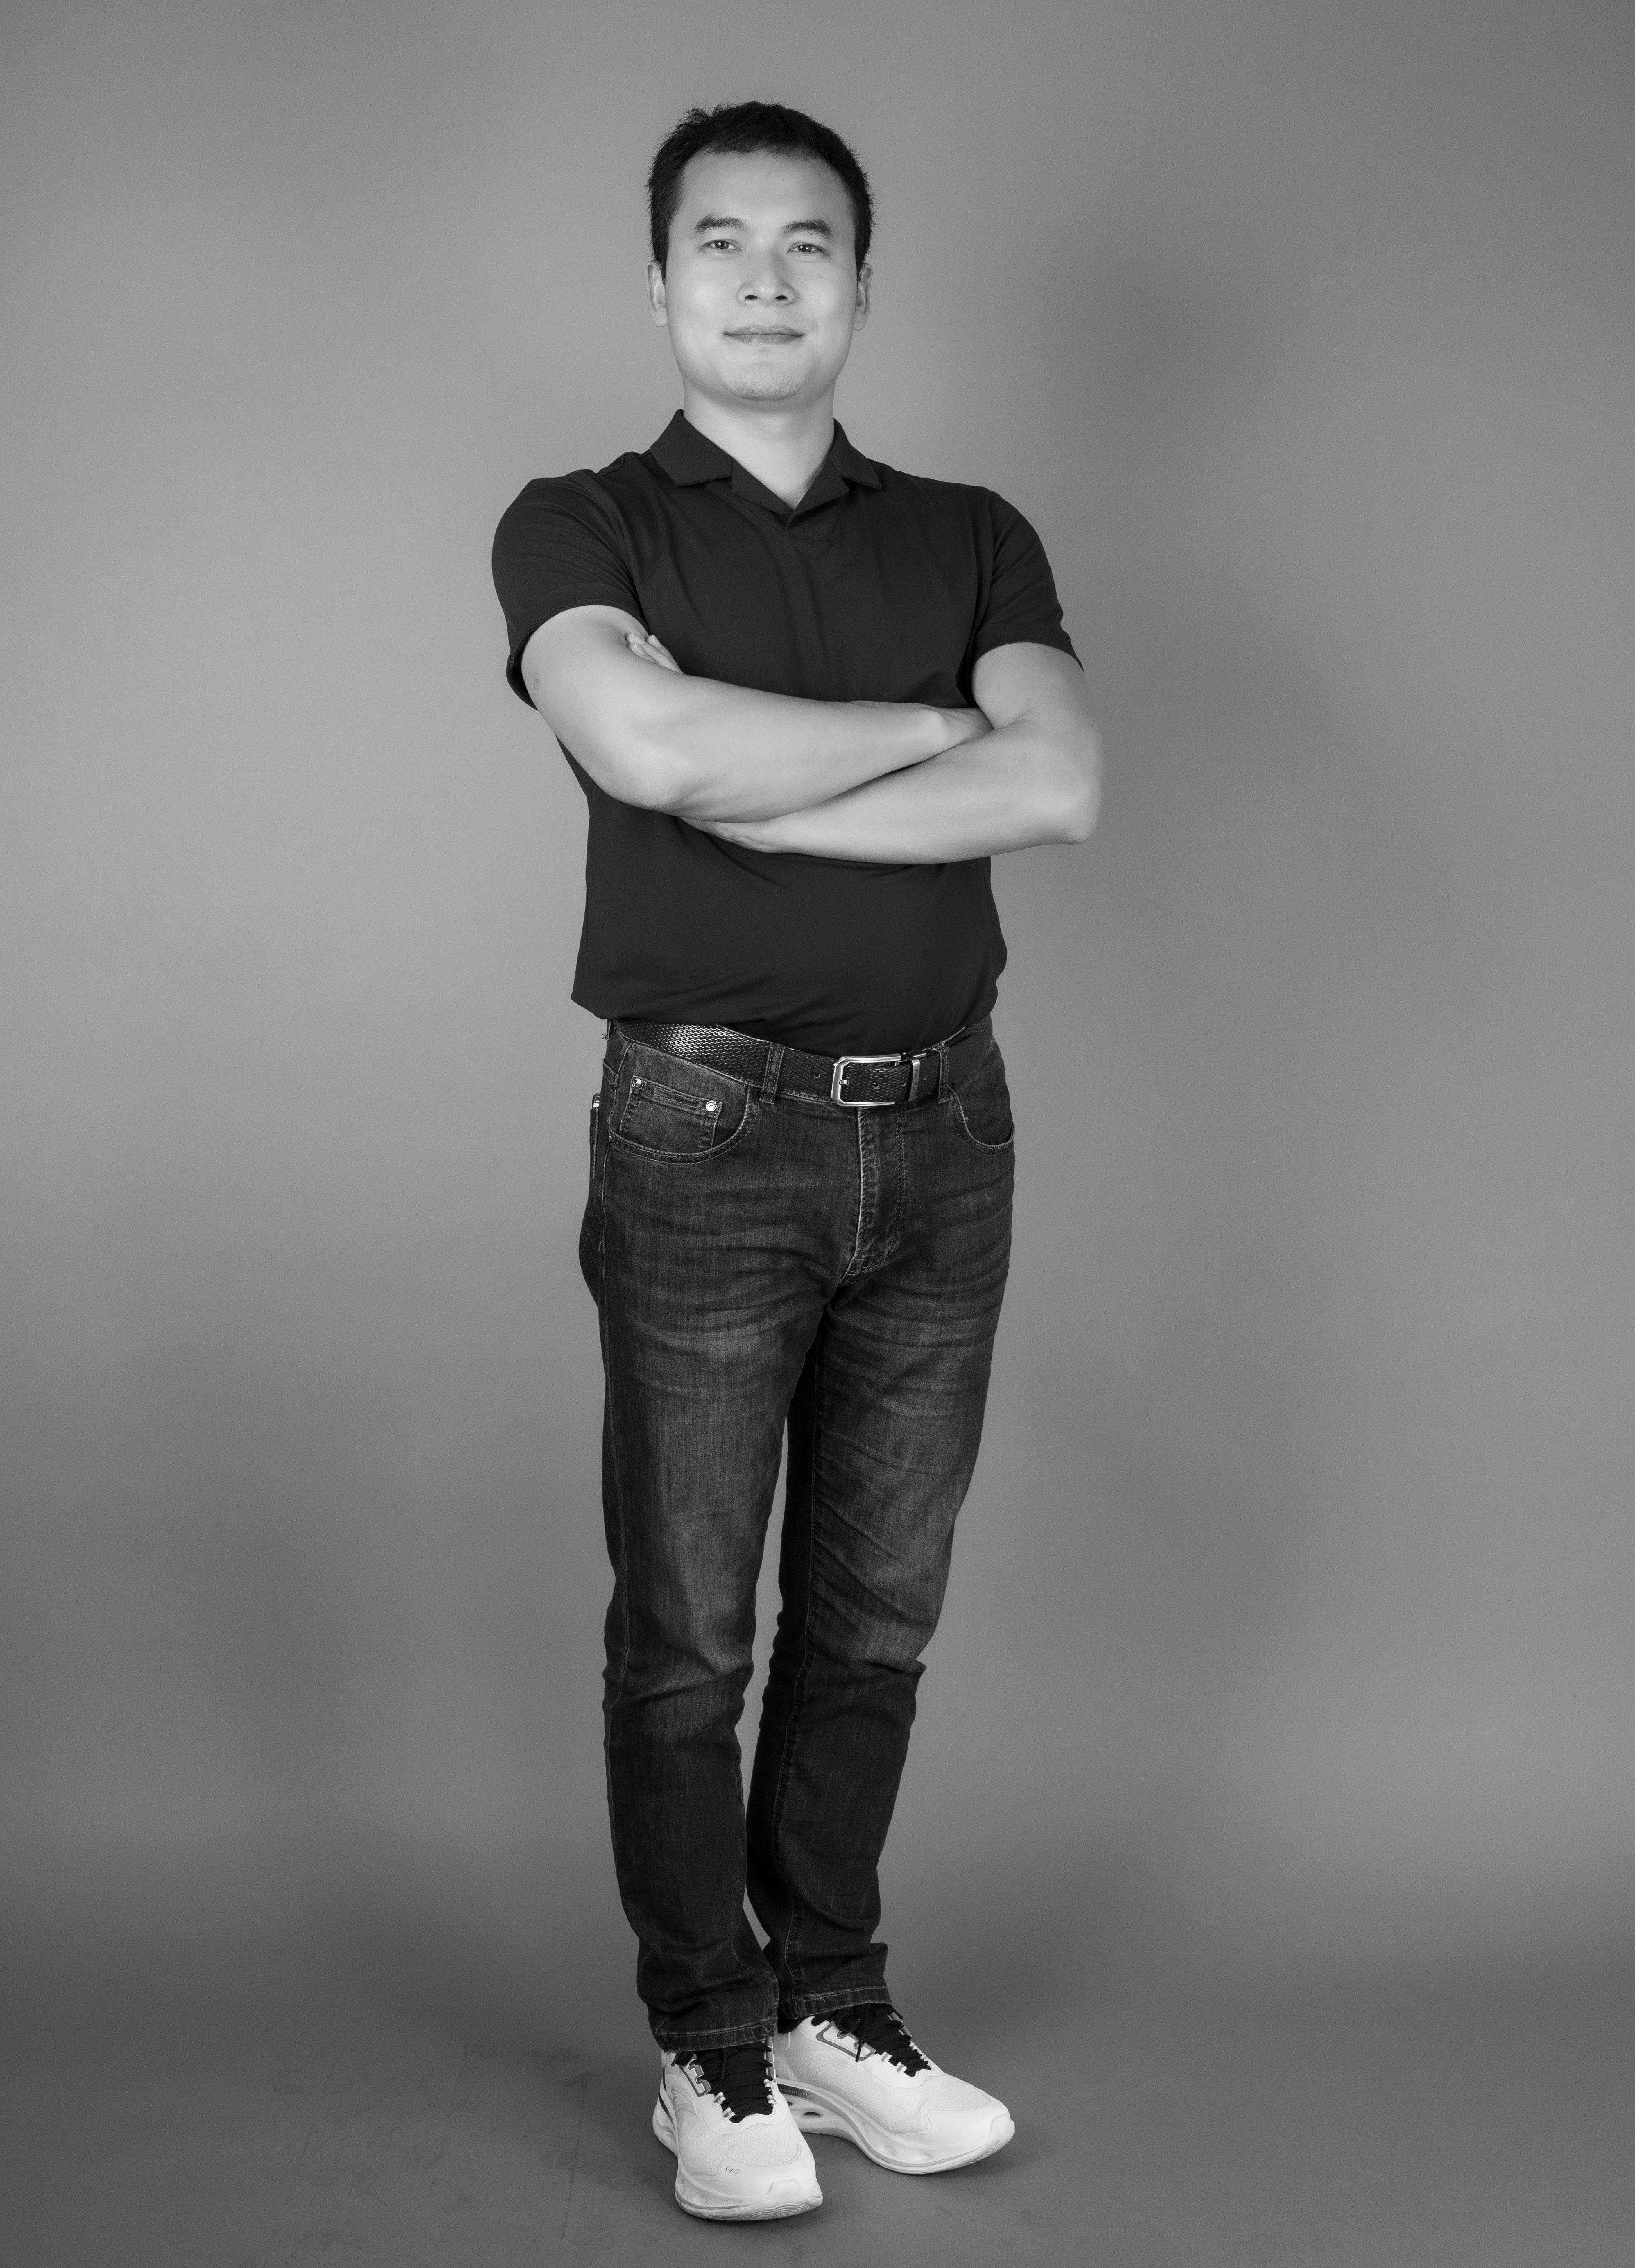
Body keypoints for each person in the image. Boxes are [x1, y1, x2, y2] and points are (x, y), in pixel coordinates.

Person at [491, 100, 1099, 2223]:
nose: (764, 275)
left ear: (859, 282)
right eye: (721, 241)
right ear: (661, 280)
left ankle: (833, 2007)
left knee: (875, 1619)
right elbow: (644, 749)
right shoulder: (578, 524)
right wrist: (939, 737)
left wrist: (802, 770)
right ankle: (710, 2050)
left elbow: (1065, 784)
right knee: (687, 1633)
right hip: (700, 1131)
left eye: (808, 242)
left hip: (947, 1133)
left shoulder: (971, 534)